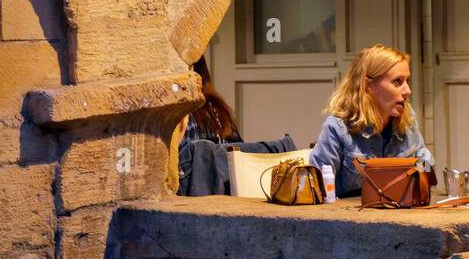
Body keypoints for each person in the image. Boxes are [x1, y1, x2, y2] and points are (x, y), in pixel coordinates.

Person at [310, 44, 435, 199]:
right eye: (397, 82)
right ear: (369, 86)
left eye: (407, 81)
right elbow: (315, 191)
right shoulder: (338, 128)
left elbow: (427, 168)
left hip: (401, 216)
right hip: (351, 220)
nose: (407, 91)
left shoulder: (407, 120)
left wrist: (423, 169)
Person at [174, 56, 294, 196]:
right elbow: (237, 157)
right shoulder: (216, 108)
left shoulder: (180, 114)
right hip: (232, 195)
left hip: (195, 200)